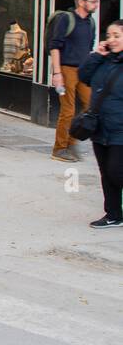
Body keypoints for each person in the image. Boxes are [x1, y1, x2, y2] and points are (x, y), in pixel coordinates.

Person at [78, 19, 123, 228]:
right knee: (106, 172)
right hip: (99, 126)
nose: (111, 40)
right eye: (109, 36)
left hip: (120, 128)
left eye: (116, 36)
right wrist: (96, 55)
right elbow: (84, 76)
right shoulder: (103, 60)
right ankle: (113, 214)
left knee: (116, 171)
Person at [48, 0, 99, 163]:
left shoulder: (90, 23)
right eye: (93, 1)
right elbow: (54, 46)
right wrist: (57, 73)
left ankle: (72, 143)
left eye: (96, 1)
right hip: (66, 69)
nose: (96, 5)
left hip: (84, 70)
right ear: (81, 2)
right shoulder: (66, 19)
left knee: (91, 106)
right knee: (68, 110)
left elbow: (89, 47)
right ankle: (59, 148)